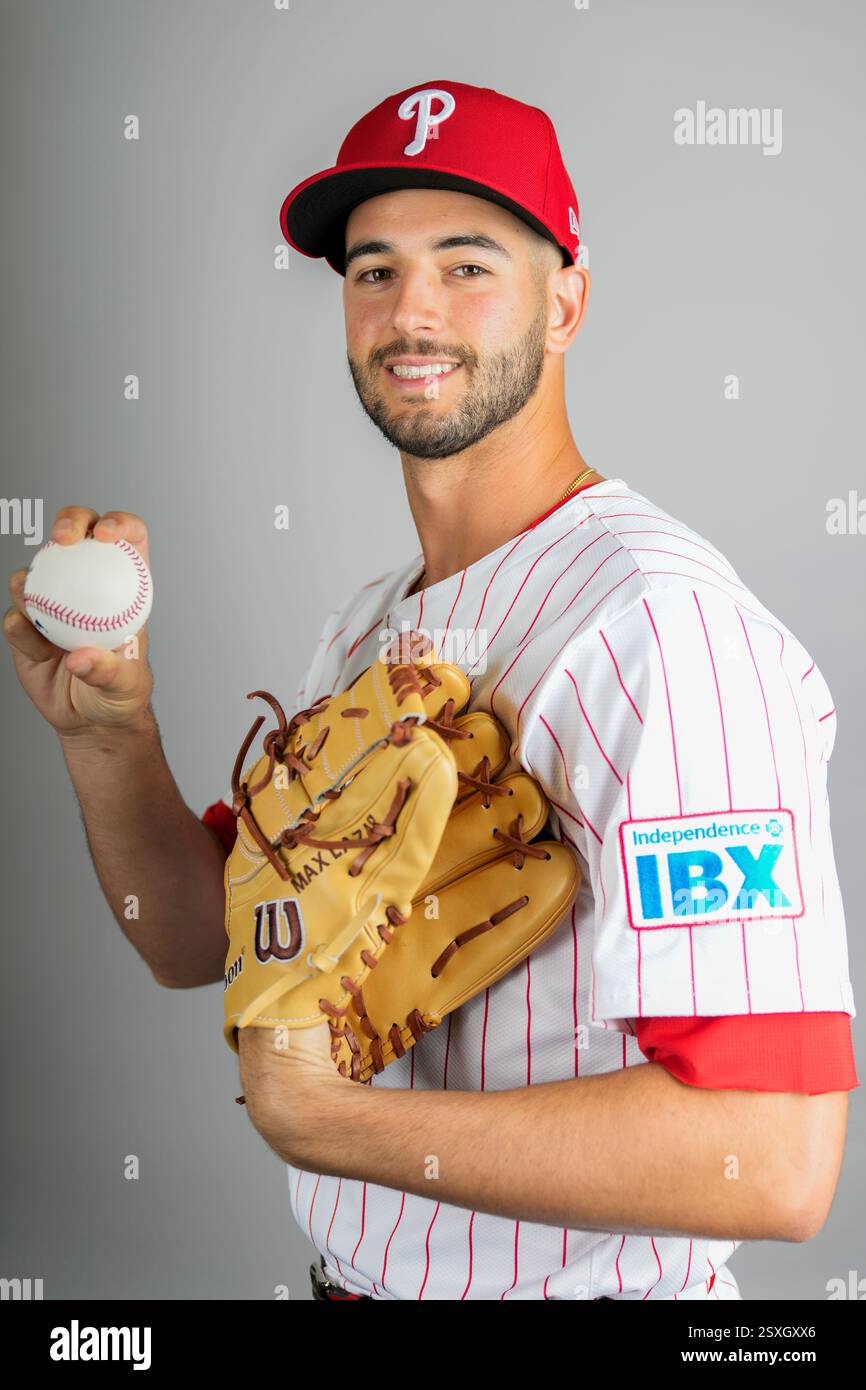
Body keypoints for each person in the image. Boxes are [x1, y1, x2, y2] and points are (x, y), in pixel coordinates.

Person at [5, 79, 857, 1302]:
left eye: (467, 265)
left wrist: (327, 1123)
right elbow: (205, 944)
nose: (411, 312)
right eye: (372, 271)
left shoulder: (658, 629)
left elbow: (771, 1157)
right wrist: (111, 736)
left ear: (564, 300)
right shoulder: (368, 624)